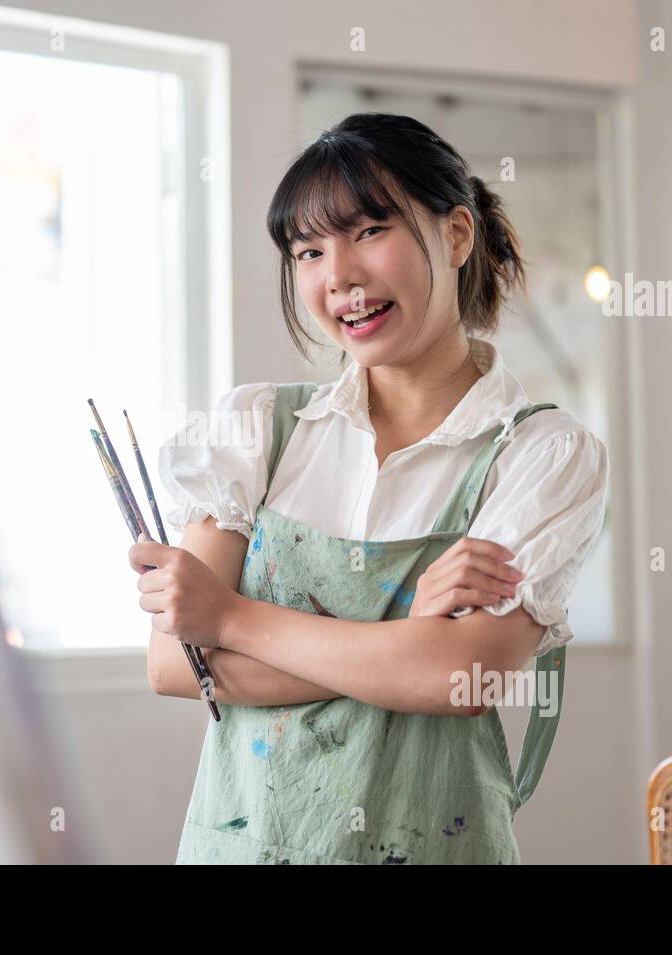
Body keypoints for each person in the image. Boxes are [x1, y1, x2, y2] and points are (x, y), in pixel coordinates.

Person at [130, 112, 609, 864]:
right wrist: (402, 642)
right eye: (309, 250)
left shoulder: (544, 454)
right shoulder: (256, 430)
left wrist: (227, 615)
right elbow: (173, 666)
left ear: (456, 236)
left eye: (369, 232)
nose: (338, 276)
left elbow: (460, 674)